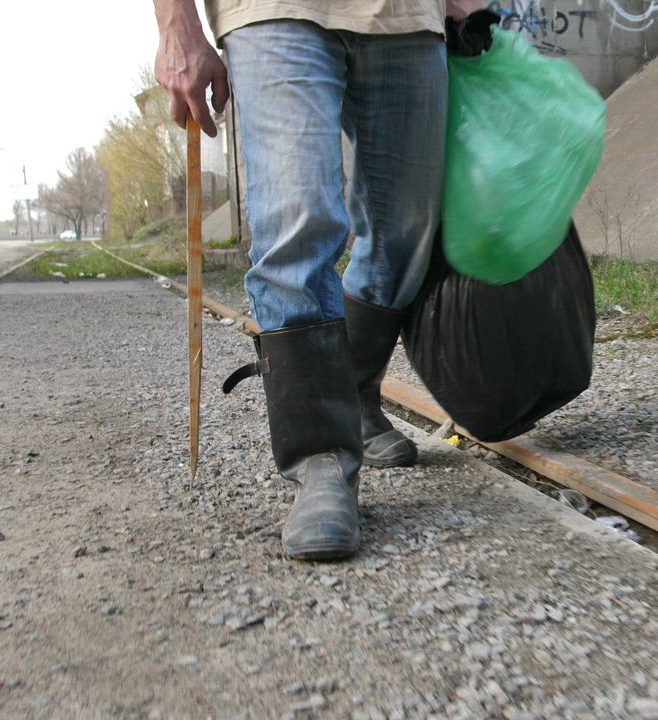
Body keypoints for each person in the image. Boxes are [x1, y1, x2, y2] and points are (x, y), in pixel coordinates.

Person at [153, 0, 484, 561]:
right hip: (273, 15)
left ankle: (352, 395)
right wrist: (176, 24)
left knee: (405, 231)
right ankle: (322, 462)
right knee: (298, 219)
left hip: (407, 18)